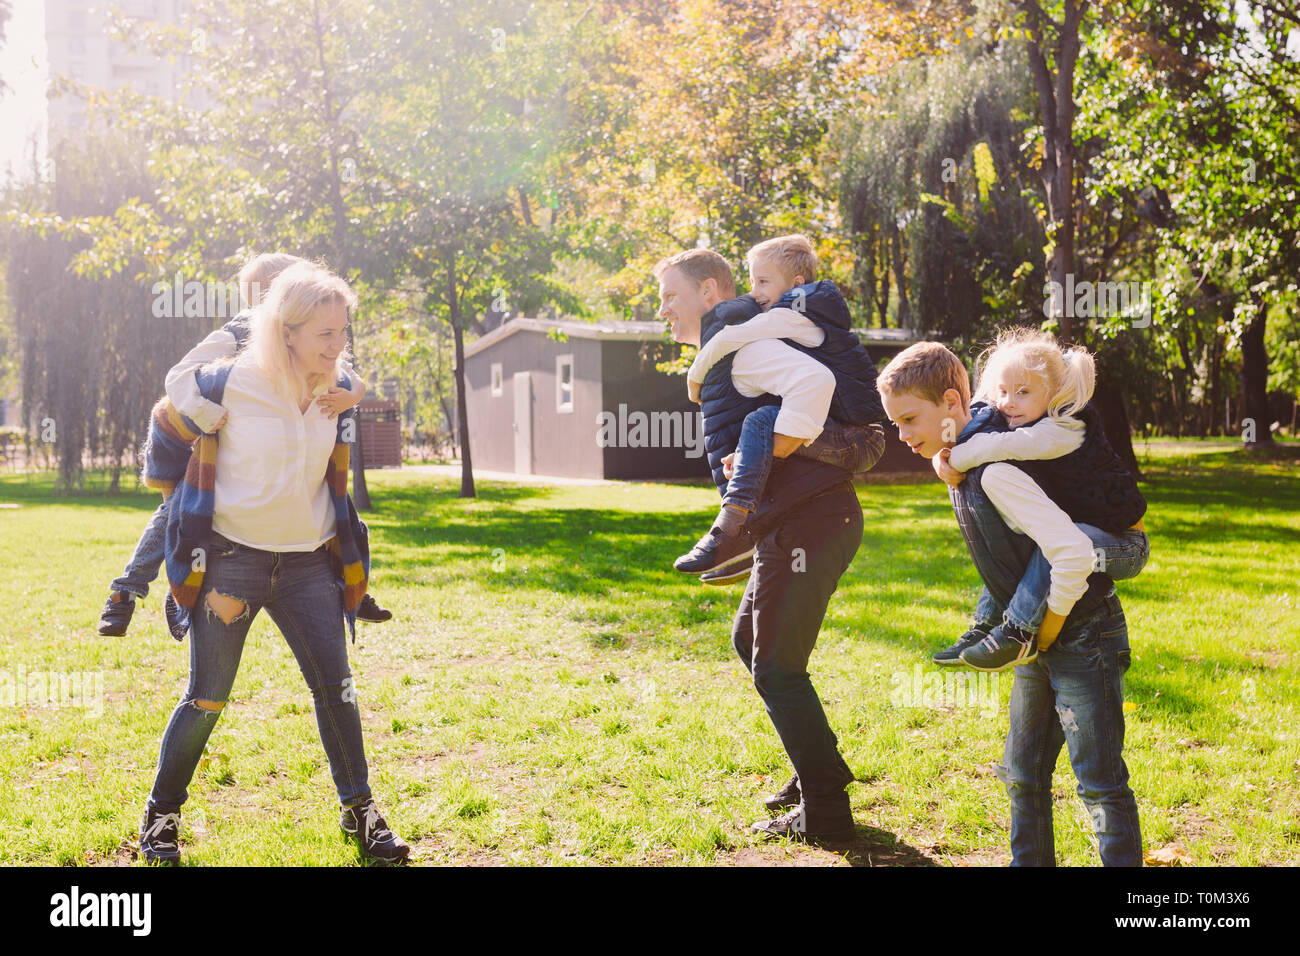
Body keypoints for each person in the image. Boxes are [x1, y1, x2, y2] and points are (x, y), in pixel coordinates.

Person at [137, 262, 408, 865]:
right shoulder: (229, 382)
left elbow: (346, 385)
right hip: (233, 564)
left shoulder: (335, 385)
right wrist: (202, 422)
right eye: (325, 335)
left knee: (337, 691)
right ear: (285, 331)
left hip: (311, 566)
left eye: (344, 332)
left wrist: (355, 387)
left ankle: (359, 808)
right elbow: (172, 396)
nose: (339, 346)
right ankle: (162, 815)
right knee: (206, 698)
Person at [877, 340, 1141, 865]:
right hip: (1036, 635)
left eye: (909, 420)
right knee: (1022, 777)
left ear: (952, 404)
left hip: (1080, 632)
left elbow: (1069, 556)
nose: (901, 435)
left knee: (1098, 786)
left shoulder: (999, 465)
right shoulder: (980, 442)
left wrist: (1041, 633)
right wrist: (947, 460)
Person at [656, 248, 881, 842]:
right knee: (750, 639)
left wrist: (775, 449)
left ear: (709, 292)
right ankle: (820, 769)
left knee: (778, 667)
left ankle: (827, 810)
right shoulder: (730, 347)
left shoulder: (743, 346)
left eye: (670, 295)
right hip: (794, 523)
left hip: (817, 521)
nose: (662, 309)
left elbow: (814, 383)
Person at [98, 253, 392, 637]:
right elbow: (179, 375)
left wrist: (350, 399)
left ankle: (353, 589)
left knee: (338, 510)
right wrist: (203, 411)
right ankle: (129, 590)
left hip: (278, 454)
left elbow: (353, 377)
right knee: (177, 512)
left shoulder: (311, 343)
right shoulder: (238, 332)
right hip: (218, 450)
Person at [927, 327, 1150, 670]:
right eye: (1002, 391)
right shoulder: (1018, 415)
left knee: (1057, 545)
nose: (1008, 401)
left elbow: (996, 446)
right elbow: (970, 420)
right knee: (1033, 540)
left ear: (1053, 393)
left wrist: (952, 461)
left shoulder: (1063, 429)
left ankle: (1019, 631)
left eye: (1023, 392)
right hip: (1082, 529)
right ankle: (988, 624)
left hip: (1125, 545)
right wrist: (938, 457)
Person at [673, 235, 887, 581]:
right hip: (853, 433)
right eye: (752, 281)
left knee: (762, 420)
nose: (754, 292)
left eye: (763, 281)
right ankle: (745, 536)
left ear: (796, 284)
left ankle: (731, 527)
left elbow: (732, 337)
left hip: (859, 437)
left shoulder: (796, 311)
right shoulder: (810, 310)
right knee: (763, 423)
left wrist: (696, 375)